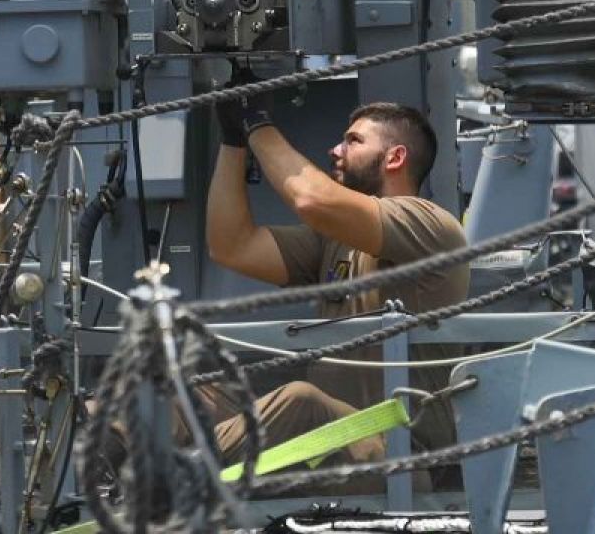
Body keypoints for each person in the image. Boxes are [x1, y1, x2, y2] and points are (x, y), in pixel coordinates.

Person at [192, 88, 469, 473]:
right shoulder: (336, 243)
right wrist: (234, 140)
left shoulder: (429, 224)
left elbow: (311, 200)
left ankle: (170, 476)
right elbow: (231, 246)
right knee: (199, 395)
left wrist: (256, 122)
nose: (335, 150)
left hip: (403, 455)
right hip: (330, 444)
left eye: (353, 141)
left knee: (301, 401)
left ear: (395, 157)